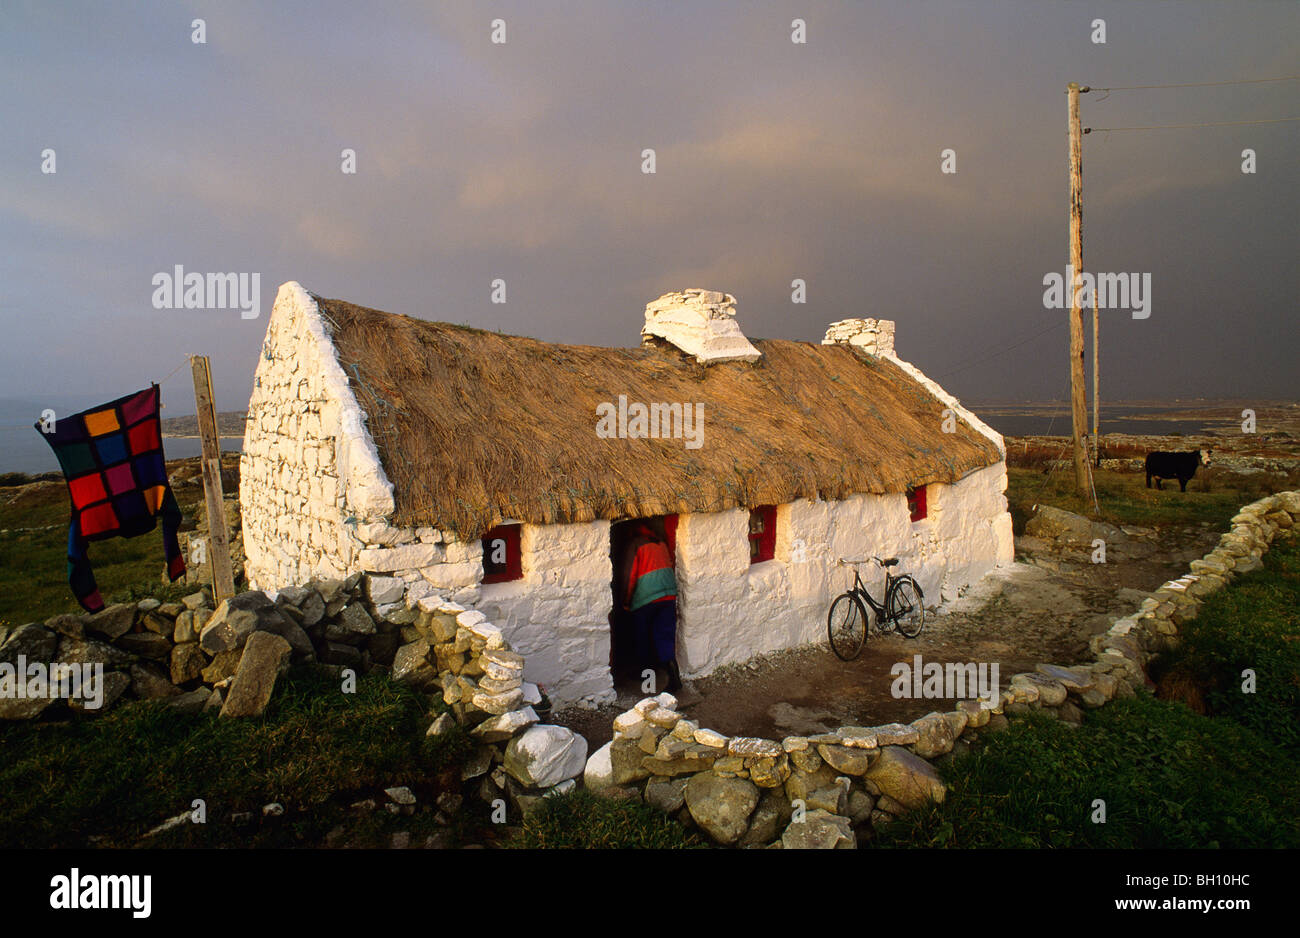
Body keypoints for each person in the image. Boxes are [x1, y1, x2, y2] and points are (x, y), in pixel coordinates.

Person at [620, 521, 682, 692]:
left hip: (646, 598)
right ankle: (674, 679)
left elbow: (629, 574)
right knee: (664, 636)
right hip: (668, 594)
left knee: (643, 639)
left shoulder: (635, 544)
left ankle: (648, 683)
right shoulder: (661, 543)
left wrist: (625, 600)